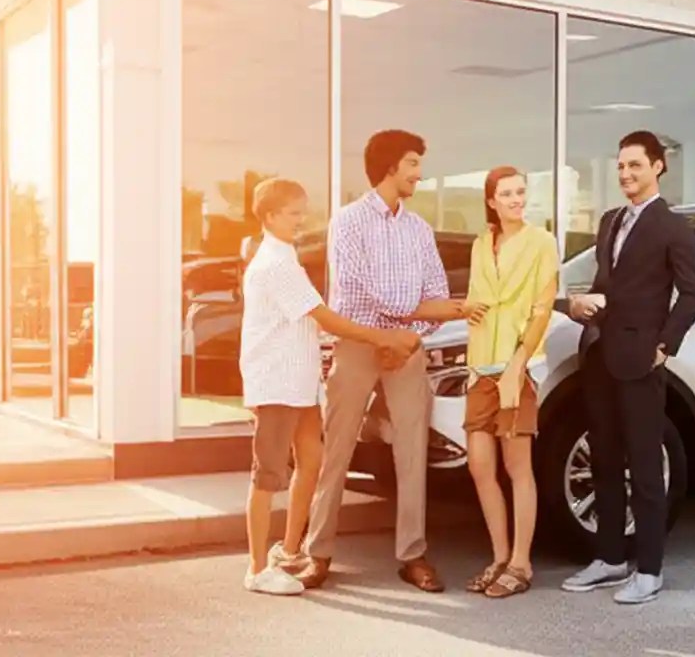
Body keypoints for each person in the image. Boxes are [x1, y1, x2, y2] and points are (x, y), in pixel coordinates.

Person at [298, 129, 486, 593]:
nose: (420, 174)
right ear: (389, 168)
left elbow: (436, 295)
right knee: (335, 452)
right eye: (413, 164)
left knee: (411, 454)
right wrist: (393, 330)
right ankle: (316, 553)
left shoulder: (420, 230)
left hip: (407, 349)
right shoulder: (348, 222)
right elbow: (359, 288)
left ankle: (413, 555)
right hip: (359, 344)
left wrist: (410, 335)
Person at [239, 177, 421, 596]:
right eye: (292, 214)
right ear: (268, 217)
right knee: (267, 474)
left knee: (312, 459)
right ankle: (255, 569)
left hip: (299, 384)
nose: (301, 220)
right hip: (276, 385)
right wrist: (382, 337)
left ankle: (287, 552)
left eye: (303, 212)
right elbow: (325, 318)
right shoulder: (275, 264)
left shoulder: (286, 257)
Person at [560, 130, 695, 605]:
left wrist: (665, 345)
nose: (625, 174)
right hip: (600, 353)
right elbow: (608, 283)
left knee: (645, 467)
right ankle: (609, 559)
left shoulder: (673, 227)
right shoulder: (608, 221)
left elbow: (693, 294)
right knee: (604, 459)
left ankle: (649, 568)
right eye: (621, 166)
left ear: (658, 167)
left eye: (635, 166)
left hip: (642, 360)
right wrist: (579, 305)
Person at [461, 167, 558, 599]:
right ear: (491, 201)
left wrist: (518, 366)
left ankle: (521, 563)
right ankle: (499, 557)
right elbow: (476, 296)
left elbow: (542, 309)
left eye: (521, 192)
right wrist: (467, 306)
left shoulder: (542, 242)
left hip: (516, 368)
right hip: (479, 367)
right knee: (480, 466)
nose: (517, 199)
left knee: (517, 467)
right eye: (508, 193)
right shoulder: (482, 244)